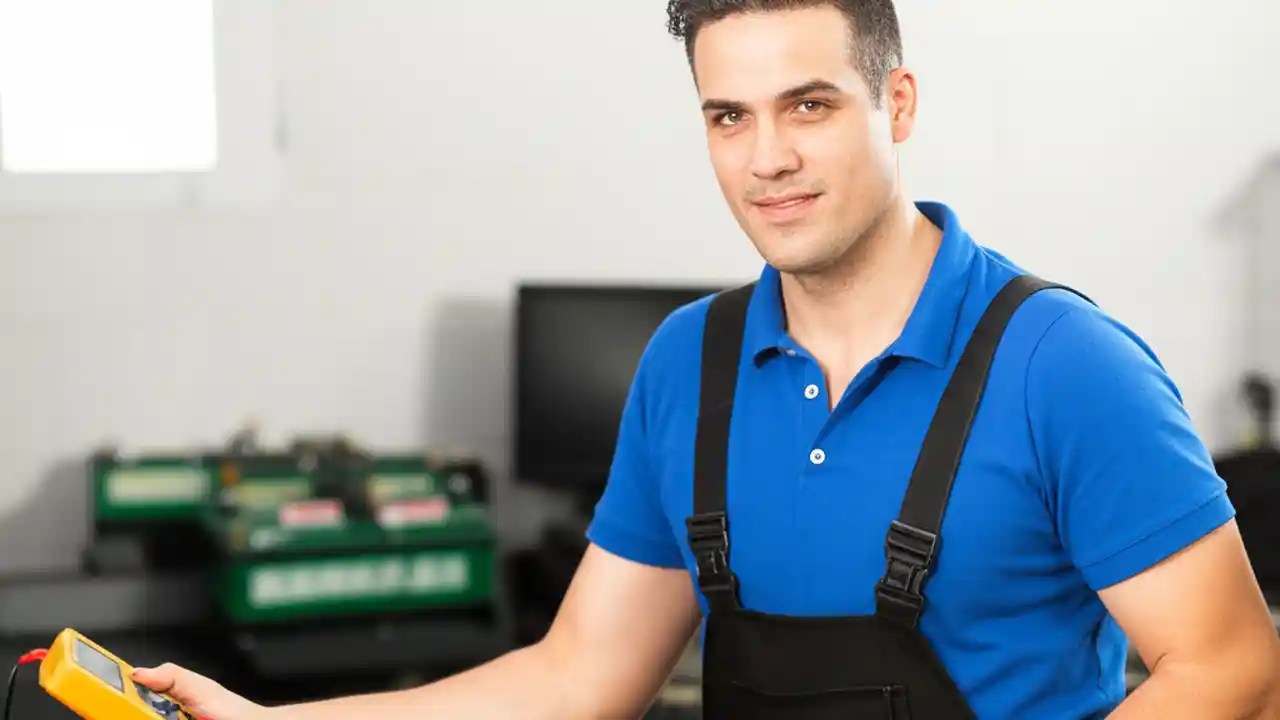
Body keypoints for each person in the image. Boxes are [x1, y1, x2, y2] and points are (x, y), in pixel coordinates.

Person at [133, 1, 1280, 718]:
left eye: (807, 105)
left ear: (896, 103)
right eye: (727, 116)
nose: (765, 158)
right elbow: (577, 678)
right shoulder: (689, 363)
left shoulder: (1062, 367)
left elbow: (1233, 671)